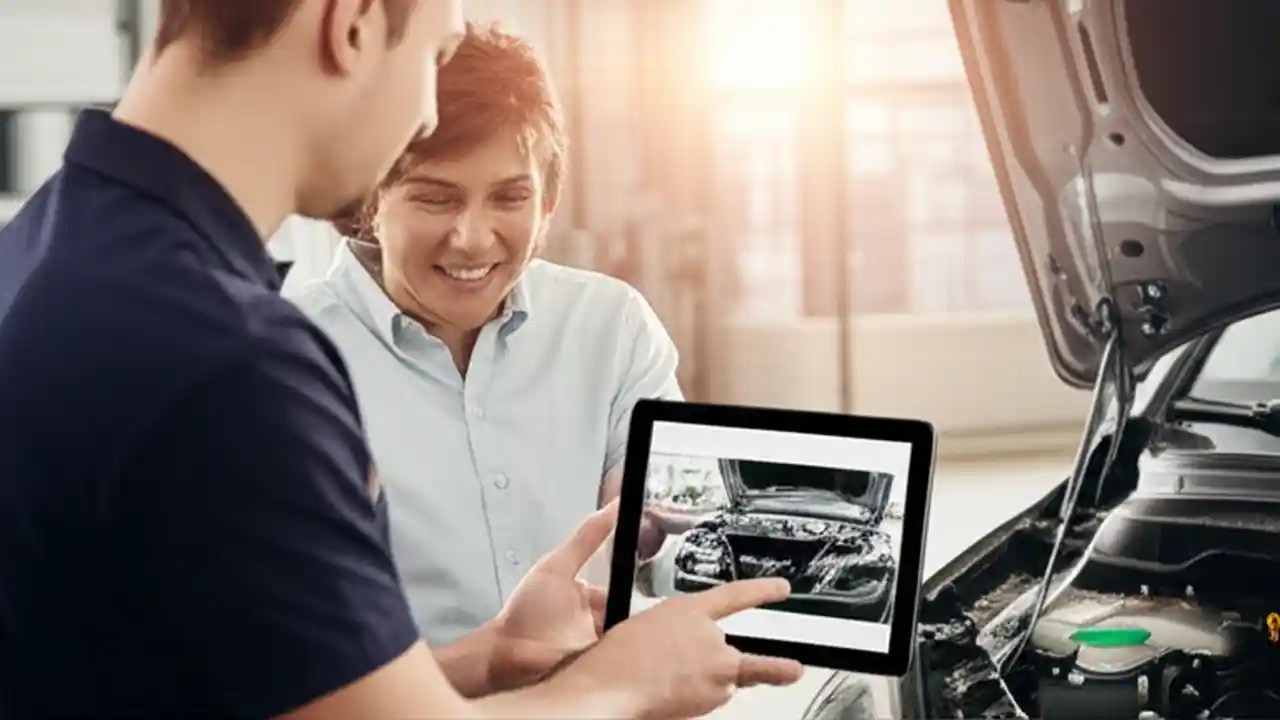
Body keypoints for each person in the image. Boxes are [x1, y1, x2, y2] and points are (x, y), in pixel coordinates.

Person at [0, 1, 802, 718]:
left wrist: (490, 655)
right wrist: (621, 683)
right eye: (432, 51)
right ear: (351, 24)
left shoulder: (45, 250)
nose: (424, 109)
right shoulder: (227, 361)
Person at [285, 21, 682, 646]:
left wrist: (652, 522)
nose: (473, 237)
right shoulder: (290, 356)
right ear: (372, 198)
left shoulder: (611, 327)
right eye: (436, 199)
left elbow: (665, 544)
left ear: (547, 202)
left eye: (509, 197)